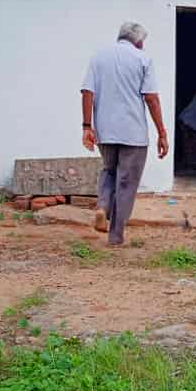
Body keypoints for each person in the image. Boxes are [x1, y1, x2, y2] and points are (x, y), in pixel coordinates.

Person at [80, 21, 169, 246]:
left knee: (109, 171)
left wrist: (87, 126)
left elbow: (87, 92)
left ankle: (102, 206)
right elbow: (151, 99)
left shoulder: (99, 57)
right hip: (133, 133)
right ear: (139, 41)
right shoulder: (142, 60)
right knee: (126, 183)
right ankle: (116, 236)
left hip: (105, 131)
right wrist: (162, 132)